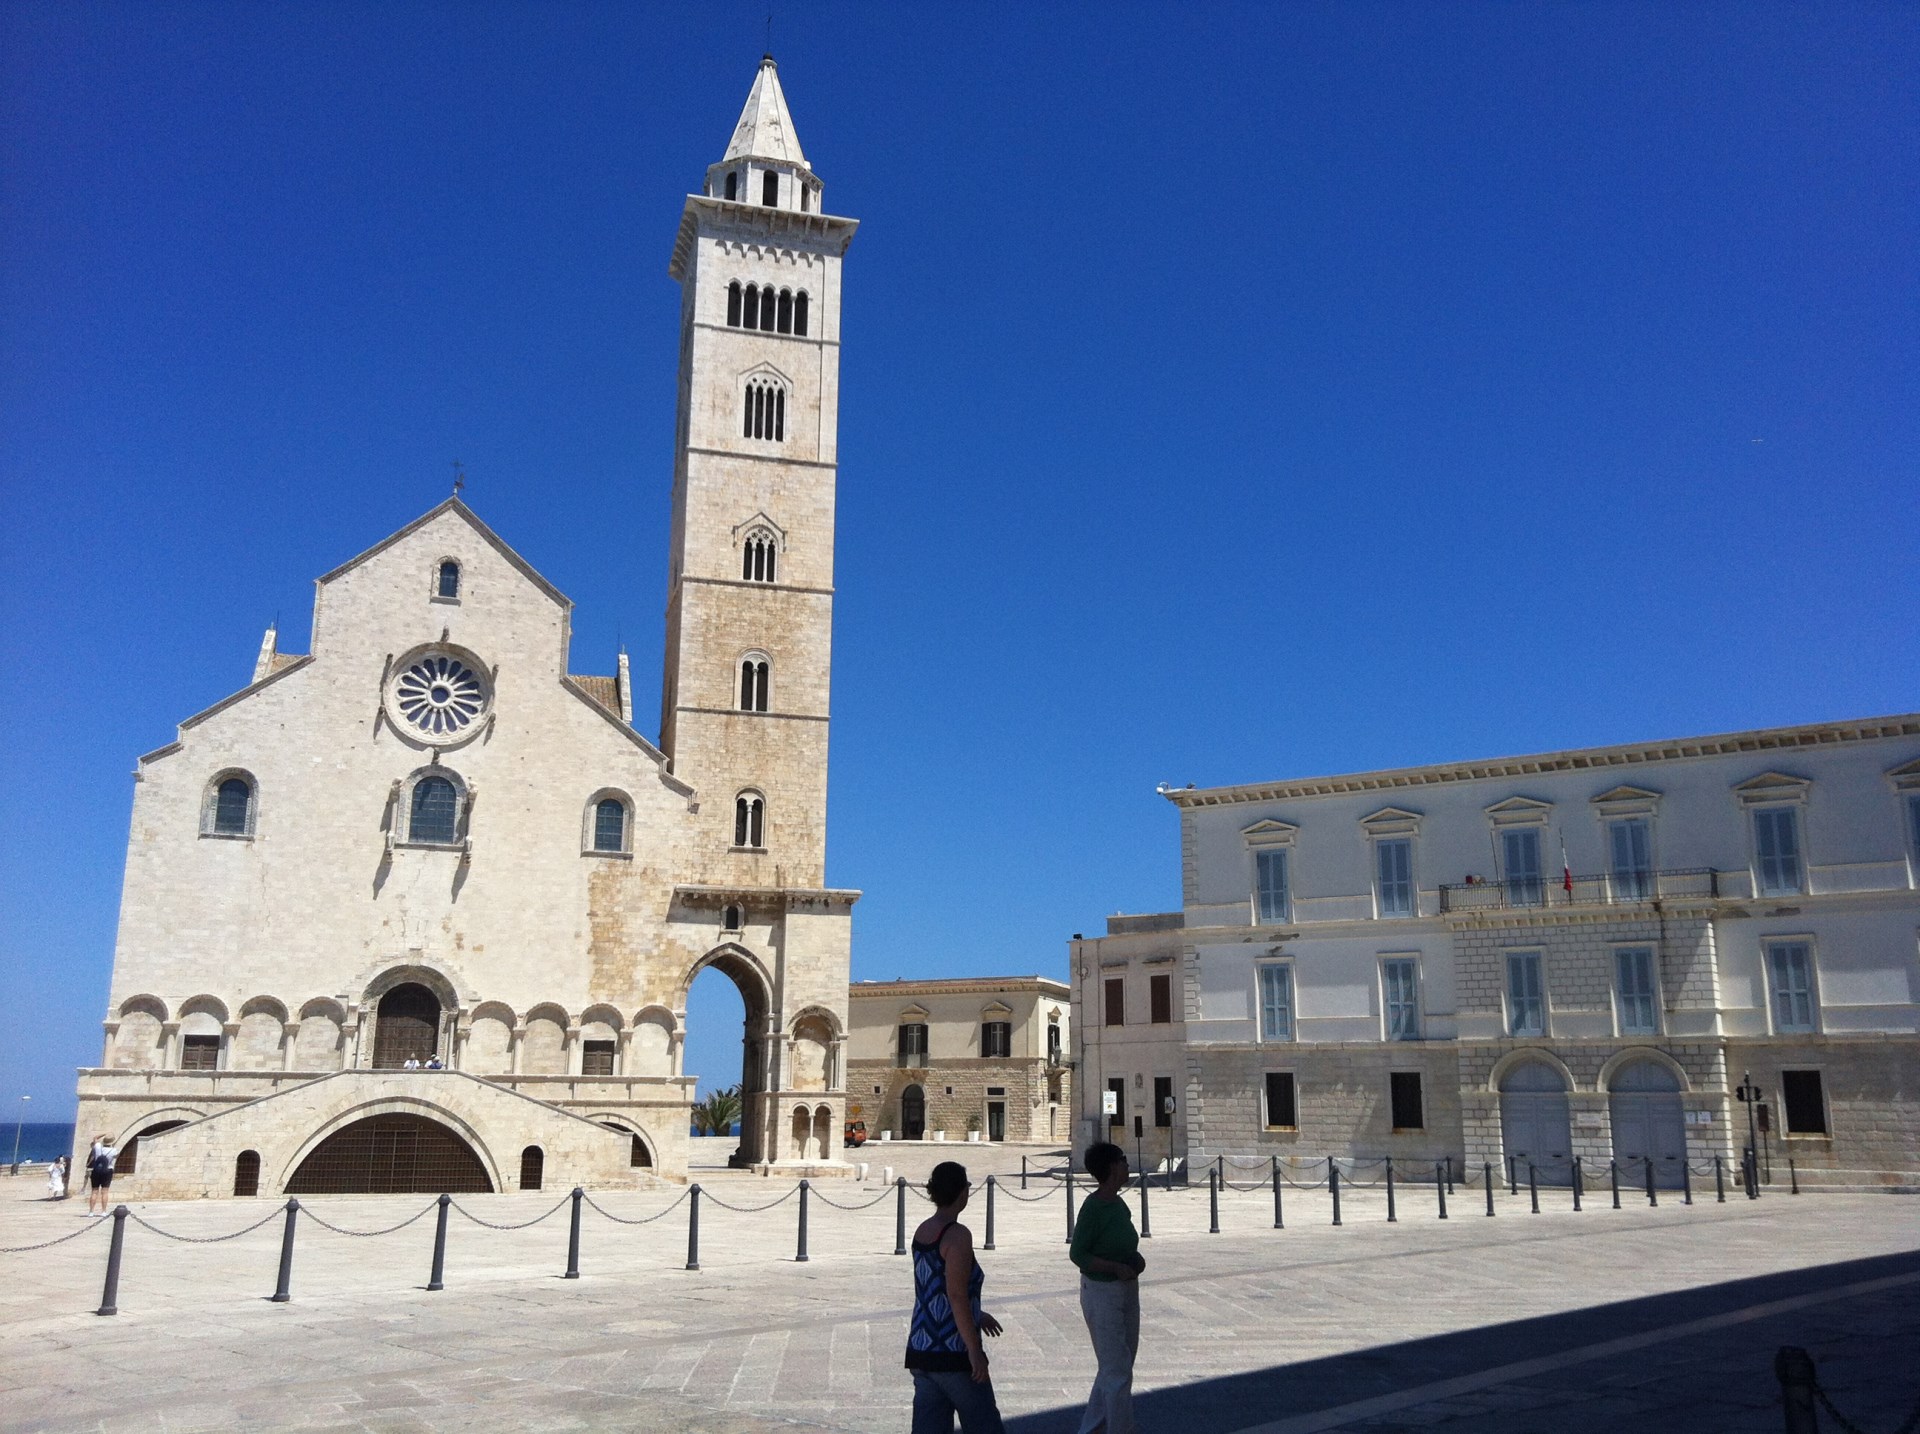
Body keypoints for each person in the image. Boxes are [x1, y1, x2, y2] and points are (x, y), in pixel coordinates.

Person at [904, 1160, 1005, 1433]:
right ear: (962, 1192)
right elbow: (956, 1294)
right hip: (953, 1352)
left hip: (922, 1349)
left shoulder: (923, 1230)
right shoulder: (957, 1236)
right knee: (985, 1425)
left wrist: (977, 1314)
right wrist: (974, 1350)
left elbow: (933, 1289)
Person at [1069, 1141, 1144, 1434]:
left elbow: (1126, 1240)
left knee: (1118, 1365)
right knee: (1117, 1371)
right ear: (1113, 1167)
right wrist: (1114, 1267)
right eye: (1123, 1160)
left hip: (1127, 1289)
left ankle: (1092, 1428)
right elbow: (1079, 1254)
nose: (1127, 1165)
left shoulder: (1118, 1202)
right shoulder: (1093, 1207)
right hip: (1102, 1294)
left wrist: (1134, 1259)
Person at [86, 1136, 116, 1216]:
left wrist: (105, 1134)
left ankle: (91, 1212)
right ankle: (103, 1211)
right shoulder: (114, 1150)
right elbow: (116, 1156)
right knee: (105, 1192)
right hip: (107, 1171)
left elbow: (95, 1138)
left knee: (94, 1192)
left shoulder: (98, 1147)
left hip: (96, 1170)